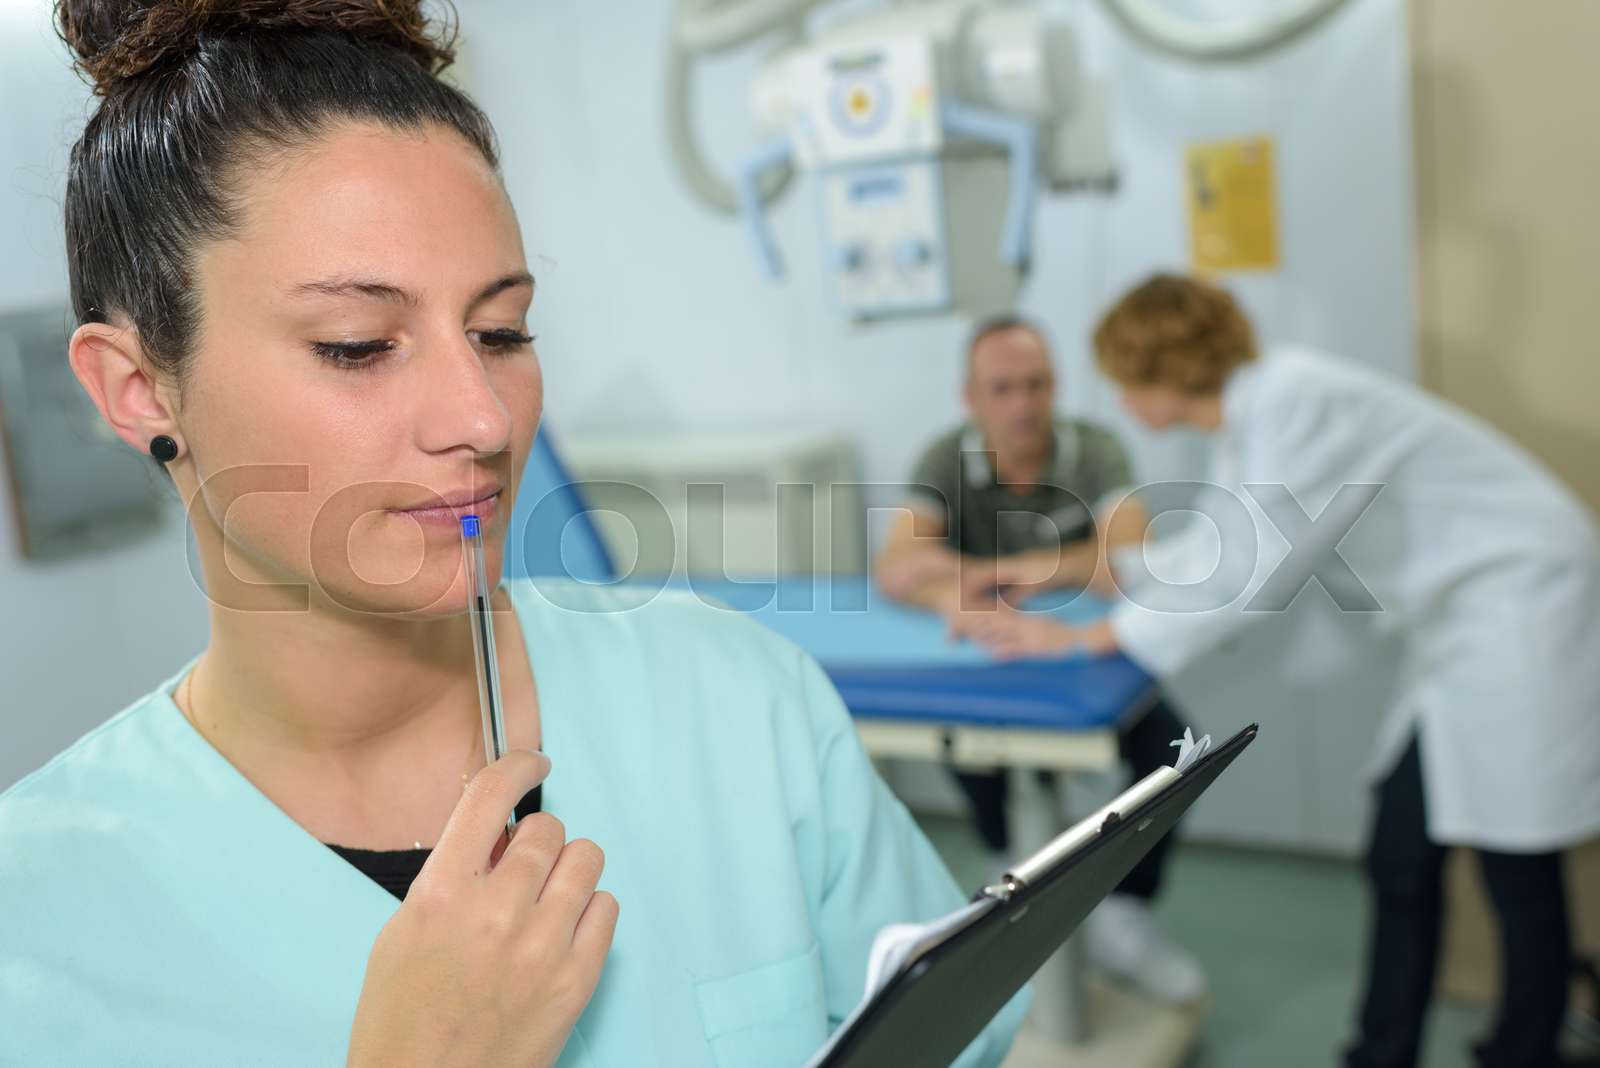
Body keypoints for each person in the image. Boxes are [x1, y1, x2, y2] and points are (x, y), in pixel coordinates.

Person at [0, 3, 1030, 1064]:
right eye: (358, 345)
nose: (484, 419)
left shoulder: (735, 704)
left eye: (501, 331)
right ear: (137, 390)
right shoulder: (34, 920)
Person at [966, 273, 1600, 1068]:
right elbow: (1208, 550)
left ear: (1157, 369)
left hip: (1523, 605)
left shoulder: (1296, 403)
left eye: (1124, 379)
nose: (1122, 400)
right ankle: (1381, 1052)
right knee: (1403, 853)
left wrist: (1098, 640)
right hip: (1462, 628)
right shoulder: (1253, 421)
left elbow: (1252, 569)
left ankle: (1526, 1049)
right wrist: (1060, 580)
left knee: (1517, 860)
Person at [872, 314, 1207, 1004]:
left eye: (1036, 385)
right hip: (996, 655)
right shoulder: (946, 457)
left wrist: (1002, 568)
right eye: (1002, 389)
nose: (1021, 405)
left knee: (1176, 752)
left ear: (1055, 387)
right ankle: (1014, 886)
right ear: (972, 398)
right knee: (967, 742)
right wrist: (953, 600)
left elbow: (1128, 560)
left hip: (1090, 656)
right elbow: (896, 564)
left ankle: (1125, 914)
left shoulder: (1093, 449)